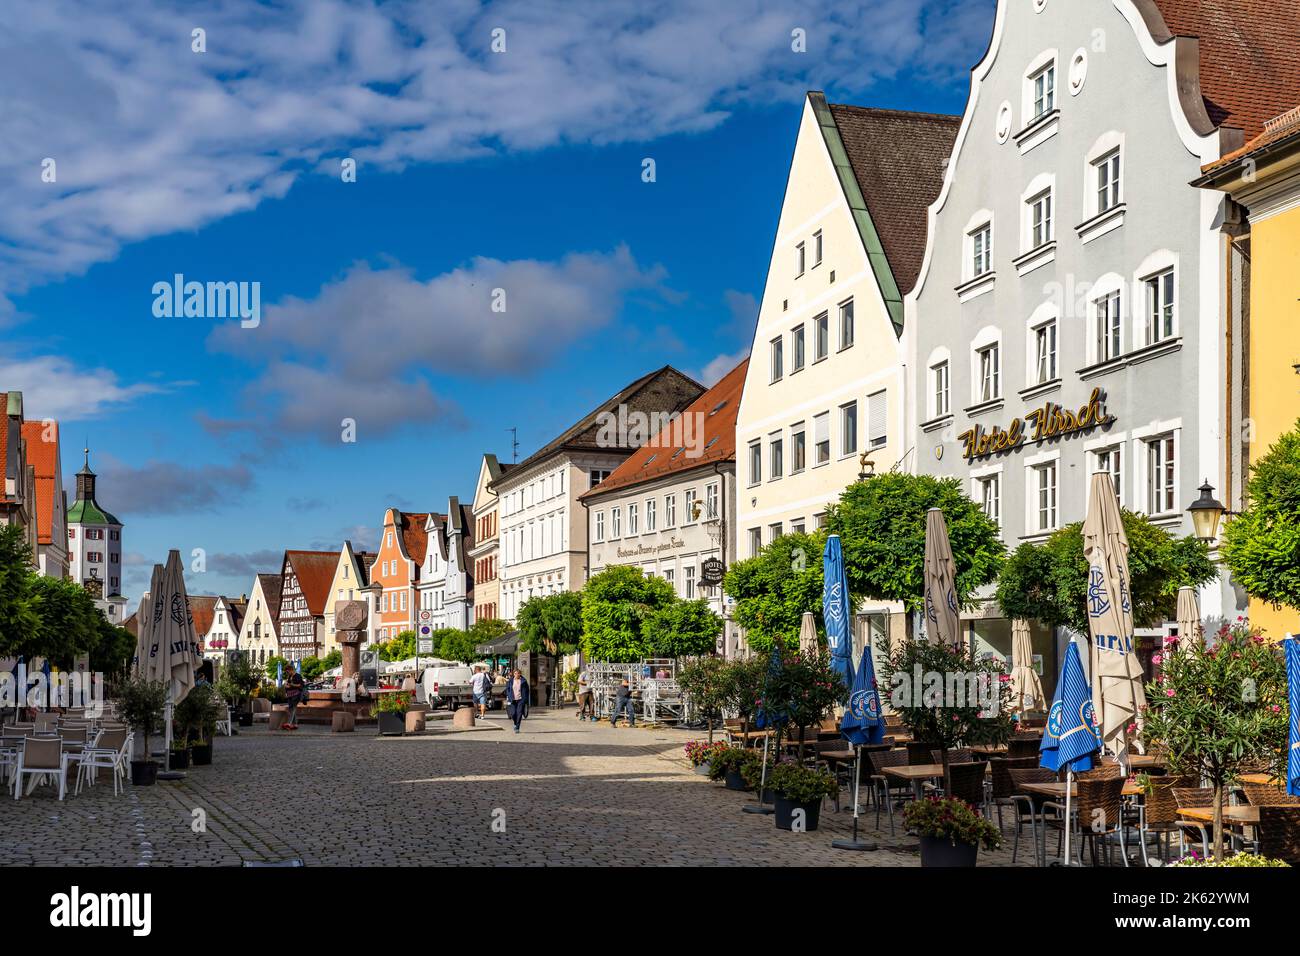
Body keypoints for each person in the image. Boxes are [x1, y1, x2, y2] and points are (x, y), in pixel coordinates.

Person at [504, 668, 529, 734]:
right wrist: (508, 696)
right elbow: (508, 689)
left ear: (520, 674)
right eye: (515, 673)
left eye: (518, 673)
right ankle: (515, 723)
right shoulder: (510, 681)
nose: (516, 675)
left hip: (521, 699)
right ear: (513, 674)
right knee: (513, 713)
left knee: (519, 713)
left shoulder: (523, 681)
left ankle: (517, 727)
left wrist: (525, 699)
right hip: (512, 699)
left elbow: (527, 691)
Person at [283, 663, 305, 730]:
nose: (287, 673)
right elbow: (287, 685)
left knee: (293, 708)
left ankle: (289, 723)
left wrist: (292, 685)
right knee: (290, 708)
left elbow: (300, 685)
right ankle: (295, 724)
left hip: (296, 694)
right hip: (290, 694)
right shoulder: (289, 677)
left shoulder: (298, 676)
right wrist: (286, 687)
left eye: (287, 671)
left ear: (291, 670)